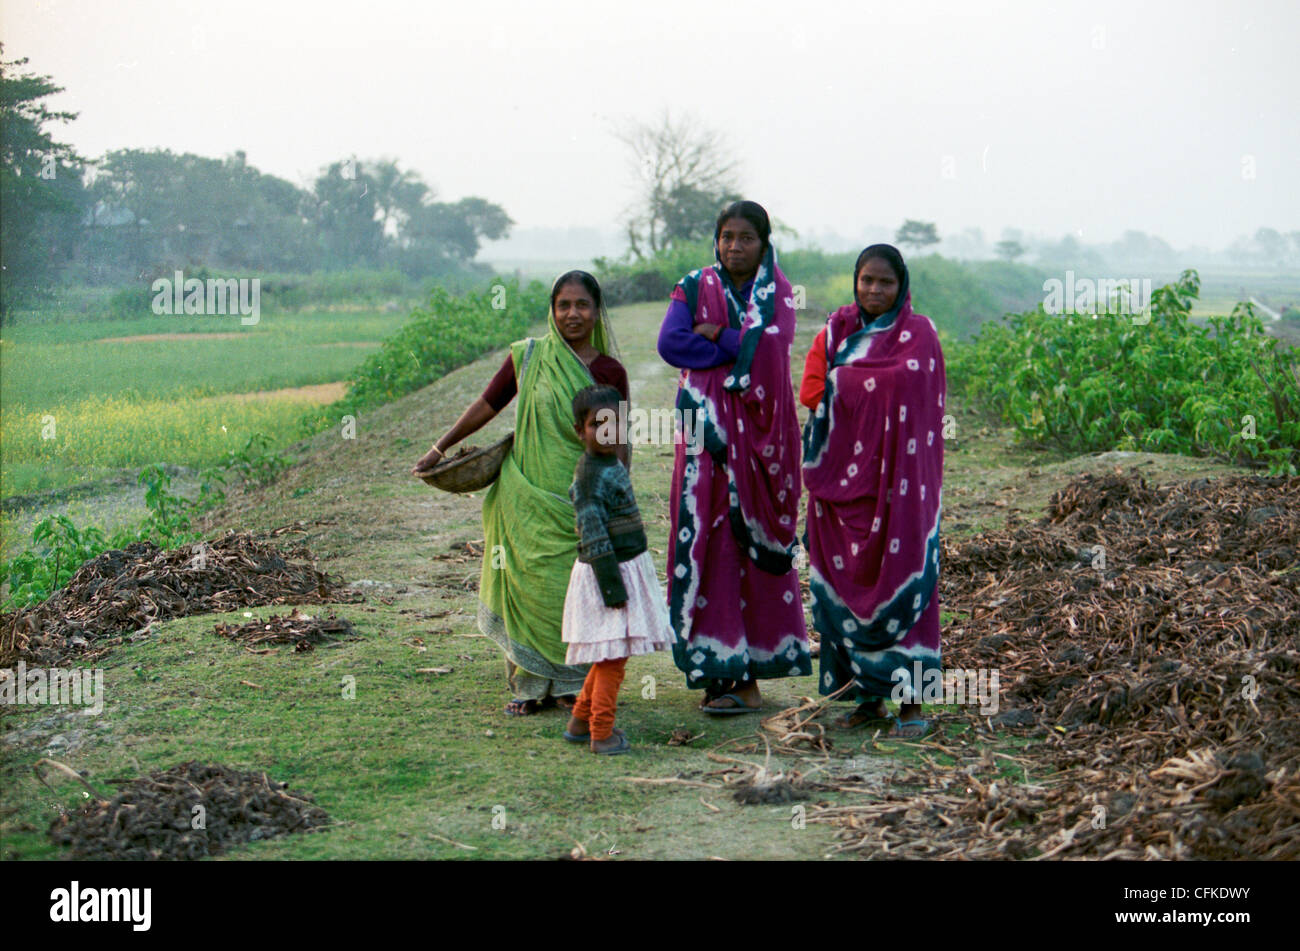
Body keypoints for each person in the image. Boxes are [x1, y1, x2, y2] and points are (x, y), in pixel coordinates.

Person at [411, 271, 628, 716]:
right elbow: (488, 404)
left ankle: (571, 684)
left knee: (569, 590)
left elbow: (617, 441)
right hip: (524, 494)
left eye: (582, 305)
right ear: (552, 309)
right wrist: (440, 448)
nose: (572, 314)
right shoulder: (529, 358)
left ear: (596, 311)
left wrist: (615, 494)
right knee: (527, 585)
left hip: (577, 498)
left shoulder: (608, 371)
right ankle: (528, 687)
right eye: (563, 305)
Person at [657, 200, 810, 715]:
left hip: (763, 439)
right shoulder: (694, 284)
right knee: (708, 541)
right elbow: (671, 343)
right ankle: (716, 668)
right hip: (703, 438)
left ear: (764, 244)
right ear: (715, 240)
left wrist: (720, 336)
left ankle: (749, 679)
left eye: (746, 237)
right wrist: (739, 347)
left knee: (750, 545)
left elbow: (773, 348)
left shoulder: (778, 292)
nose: (735, 246)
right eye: (726, 236)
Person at [799, 244, 946, 738]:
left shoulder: (919, 334)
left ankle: (911, 706)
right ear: (854, 281)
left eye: (884, 282)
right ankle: (866, 700)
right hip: (842, 485)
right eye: (866, 280)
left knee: (906, 580)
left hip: (901, 488)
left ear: (901, 285)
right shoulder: (837, 329)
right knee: (844, 584)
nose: (874, 290)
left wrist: (852, 381)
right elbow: (811, 392)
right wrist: (849, 384)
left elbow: (918, 392)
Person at [560, 385, 674, 754]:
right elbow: (593, 536)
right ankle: (601, 733)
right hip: (608, 574)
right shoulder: (590, 476)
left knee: (610, 655)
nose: (609, 431)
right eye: (598, 424)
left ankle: (580, 720)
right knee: (612, 660)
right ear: (580, 430)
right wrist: (613, 590)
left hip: (623, 570)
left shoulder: (610, 464)